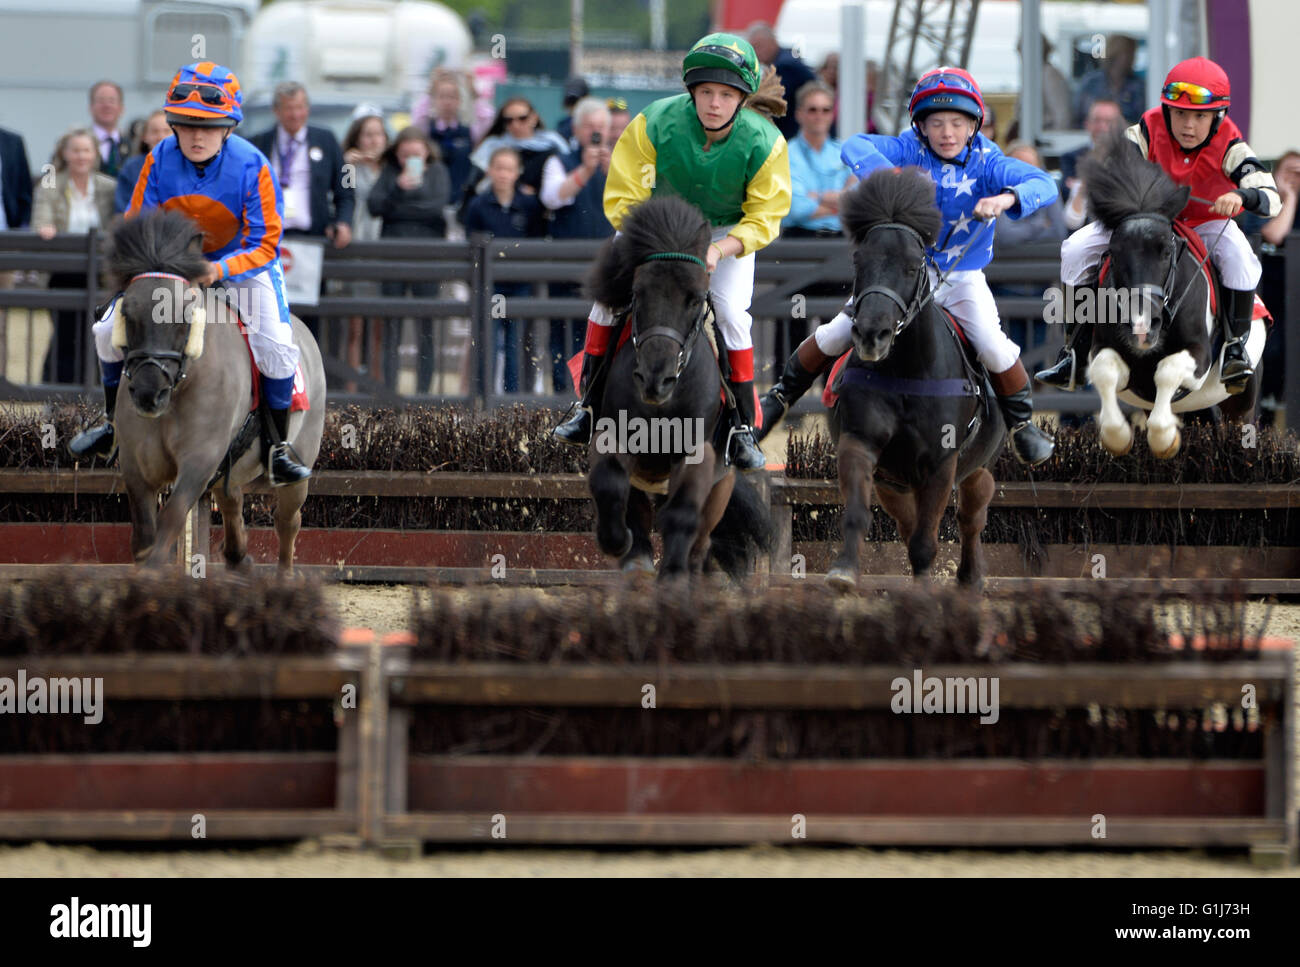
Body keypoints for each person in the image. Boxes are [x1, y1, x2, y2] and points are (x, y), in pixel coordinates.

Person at [759, 67, 1058, 466]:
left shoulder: (989, 161)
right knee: (836, 333)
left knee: (991, 342)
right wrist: (896, 178)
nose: (947, 132)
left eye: (957, 122)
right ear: (921, 125)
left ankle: (1023, 426)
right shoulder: (909, 147)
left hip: (963, 277)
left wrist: (1006, 199)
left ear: (974, 126)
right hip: (903, 275)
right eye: (936, 123)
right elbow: (854, 146)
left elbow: (1045, 183)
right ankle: (778, 398)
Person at [551, 32, 792, 471]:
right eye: (705, 92)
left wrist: (722, 248)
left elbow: (765, 216)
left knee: (734, 315)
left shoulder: (765, 141)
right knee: (606, 303)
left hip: (726, 233)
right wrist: (656, 242)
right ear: (692, 92)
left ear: (742, 98)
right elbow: (625, 196)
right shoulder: (654, 122)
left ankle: (742, 426)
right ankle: (586, 407)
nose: (713, 104)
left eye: (724, 94)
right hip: (654, 226)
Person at [69, 62, 312, 486]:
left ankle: (276, 450)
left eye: (209, 126)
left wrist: (218, 268)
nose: (197, 136)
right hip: (175, 267)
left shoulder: (253, 165)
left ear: (228, 128)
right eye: (185, 125)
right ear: (174, 126)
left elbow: (266, 242)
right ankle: (111, 428)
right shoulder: (157, 160)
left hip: (242, 266)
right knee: (106, 331)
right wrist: (161, 268)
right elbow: (138, 225)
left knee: (275, 343)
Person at [1040, 57, 1282, 394]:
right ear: (1167, 111)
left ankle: (1235, 350)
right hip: (1146, 220)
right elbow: (1115, 174)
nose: (1188, 125)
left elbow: (1271, 198)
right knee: (1075, 248)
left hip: (1207, 221)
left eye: (1200, 116)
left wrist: (1240, 196)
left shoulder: (1231, 142)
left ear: (1217, 117)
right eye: (1180, 113)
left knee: (1242, 261)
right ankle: (1075, 352)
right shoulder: (1144, 129)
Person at [367, 126, 451, 395]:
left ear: (427, 153)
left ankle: (424, 392)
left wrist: (401, 208)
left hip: (428, 258)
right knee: (391, 325)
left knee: (426, 326)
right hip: (392, 256)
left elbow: (437, 206)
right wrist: (397, 189)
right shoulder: (390, 173)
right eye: (405, 155)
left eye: (416, 154)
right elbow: (374, 205)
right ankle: (389, 391)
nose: (410, 160)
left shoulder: (438, 172)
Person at [31, 128, 116, 385]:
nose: (81, 156)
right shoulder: (52, 183)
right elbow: (40, 217)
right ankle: (55, 391)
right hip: (63, 270)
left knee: (97, 332)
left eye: (87, 150)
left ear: (95, 154)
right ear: (65, 153)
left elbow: (117, 223)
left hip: (99, 271)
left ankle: (93, 393)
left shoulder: (108, 186)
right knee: (64, 333)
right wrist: (46, 228)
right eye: (76, 150)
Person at [541, 96, 613, 392]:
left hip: (606, 265)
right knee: (561, 329)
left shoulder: (620, 163)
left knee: (600, 329)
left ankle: (594, 392)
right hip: (566, 263)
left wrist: (611, 172)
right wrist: (585, 170)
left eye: (600, 127)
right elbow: (552, 197)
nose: (595, 132)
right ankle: (561, 391)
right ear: (576, 128)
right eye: (589, 126)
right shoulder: (559, 160)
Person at [781, 81, 854, 365]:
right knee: (794, 319)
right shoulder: (785, 152)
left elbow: (856, 203)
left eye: (825, 109)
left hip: (837, 245)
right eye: (812, 110)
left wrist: (815, 197)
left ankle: (831, 398)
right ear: (799, 114)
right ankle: (786, 393)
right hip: (798, 244)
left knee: (836, 325)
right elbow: (793, 208)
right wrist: (839, 198)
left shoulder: (843, 152)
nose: (819, 116)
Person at [463, 146, 546, 394]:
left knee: (515, 343)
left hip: (520, 284)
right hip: (491, 284)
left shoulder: (529, 205)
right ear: (489, 170)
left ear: (517, 172)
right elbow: (472, 244)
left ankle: (513, 400)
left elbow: (537, 240)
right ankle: (484, 397)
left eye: (509, 169)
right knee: (487, 341)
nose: (503, 174)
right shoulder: (478, 205)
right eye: (498, 168)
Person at [339, 108, 389, 390]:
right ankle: (351, 389)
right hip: (356, 247)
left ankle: (378, 388)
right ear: (357, 137)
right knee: (354, 326)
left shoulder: (392, 169)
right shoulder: (349, 167)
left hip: (383, 248)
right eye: (367, 134)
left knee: (379, 327)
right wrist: (344, 164)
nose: (373, 140)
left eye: (378, 134)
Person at [462, 98, 567, 211]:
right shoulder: (492, 147)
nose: (515, 124)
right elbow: (474, 185)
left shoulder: (552, 146)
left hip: (538, 215)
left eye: (522, 118)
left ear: (534, 118)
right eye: (509, 120)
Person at [746, 22, 817, 141]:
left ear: (772, 43)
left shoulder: (784, 66)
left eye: (758, 46)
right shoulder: (787, 58)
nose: (755, 53)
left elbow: (772, 103)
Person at [424, 72, 474, 202]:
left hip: (459, 200)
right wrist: (431, 87)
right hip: (429, 199)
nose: (447, 102)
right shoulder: (426, 128)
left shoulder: (468, 131)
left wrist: (473, 91)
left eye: (452, 97)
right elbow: (419, 113)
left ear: (459, 101)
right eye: (442, 97)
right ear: (434, 101)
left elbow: (486, 118)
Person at [1074, 34, 1144, 125]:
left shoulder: (1137, 85)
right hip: (1091, 134)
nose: (1132, 58)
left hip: (1126, 136)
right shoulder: (1091, 82)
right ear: (1114, 53)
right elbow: (1078, 116)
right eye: (1127, 53)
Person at [115, 110, 171, 214]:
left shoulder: (188, 165)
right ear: (145, 136)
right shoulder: (131, 168)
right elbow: (123, 207)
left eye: (166, 131)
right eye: (155, 131)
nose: (160, 136)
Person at [89, 81, 129, 177]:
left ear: (121, 108)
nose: (107, 106)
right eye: (101, 101)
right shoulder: (78, 143)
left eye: (112, 101)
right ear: (90, 107)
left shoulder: (132, 143)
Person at [556, 76, 590, 150]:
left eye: (577, 102)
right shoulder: (563, 126)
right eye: (571, 102)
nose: (574, 107)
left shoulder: (597, 126)